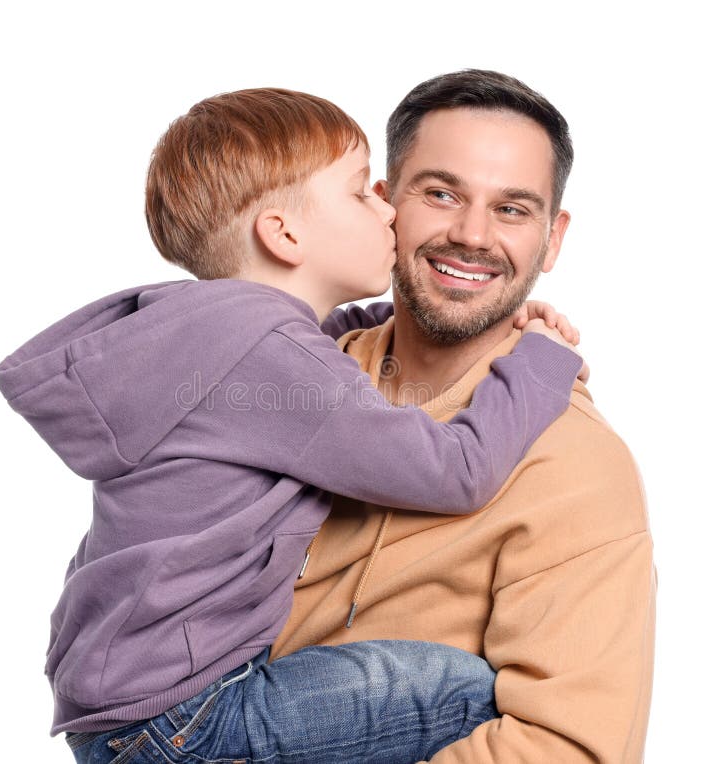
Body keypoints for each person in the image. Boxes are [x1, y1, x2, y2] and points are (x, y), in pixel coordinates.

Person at [0, 88, 584, 763]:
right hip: (190, 718)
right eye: (363, 193)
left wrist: (381, 327)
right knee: (462, 689)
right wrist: (542, 361)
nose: (389, 211)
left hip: (116, 712)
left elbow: (299, 369)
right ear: (285, 234)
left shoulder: (212, 330)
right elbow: (456, 471)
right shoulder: (270, 363)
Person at [272, 70, 656, 763]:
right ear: (383, 207)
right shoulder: (288, 377)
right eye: (442, 193)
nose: (472, 235)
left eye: (512, 209)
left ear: (552, 237)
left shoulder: (573, 465)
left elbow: (567, 748)